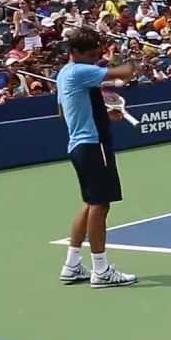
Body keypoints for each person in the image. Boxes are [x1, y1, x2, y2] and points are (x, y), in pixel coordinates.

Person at [55, 28, 138, 288]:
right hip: (93, 146)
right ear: (75, 53)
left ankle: (72, 264)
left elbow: (63, 112)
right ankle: (101, 270)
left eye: (96, 55)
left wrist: (103, 114)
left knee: (90, 204)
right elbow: (127, 72)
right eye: (90, 55)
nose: (93, 59)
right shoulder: (80, 70)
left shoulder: (65, 74)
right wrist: (125, 56)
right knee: (101, 206)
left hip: (79, 146)